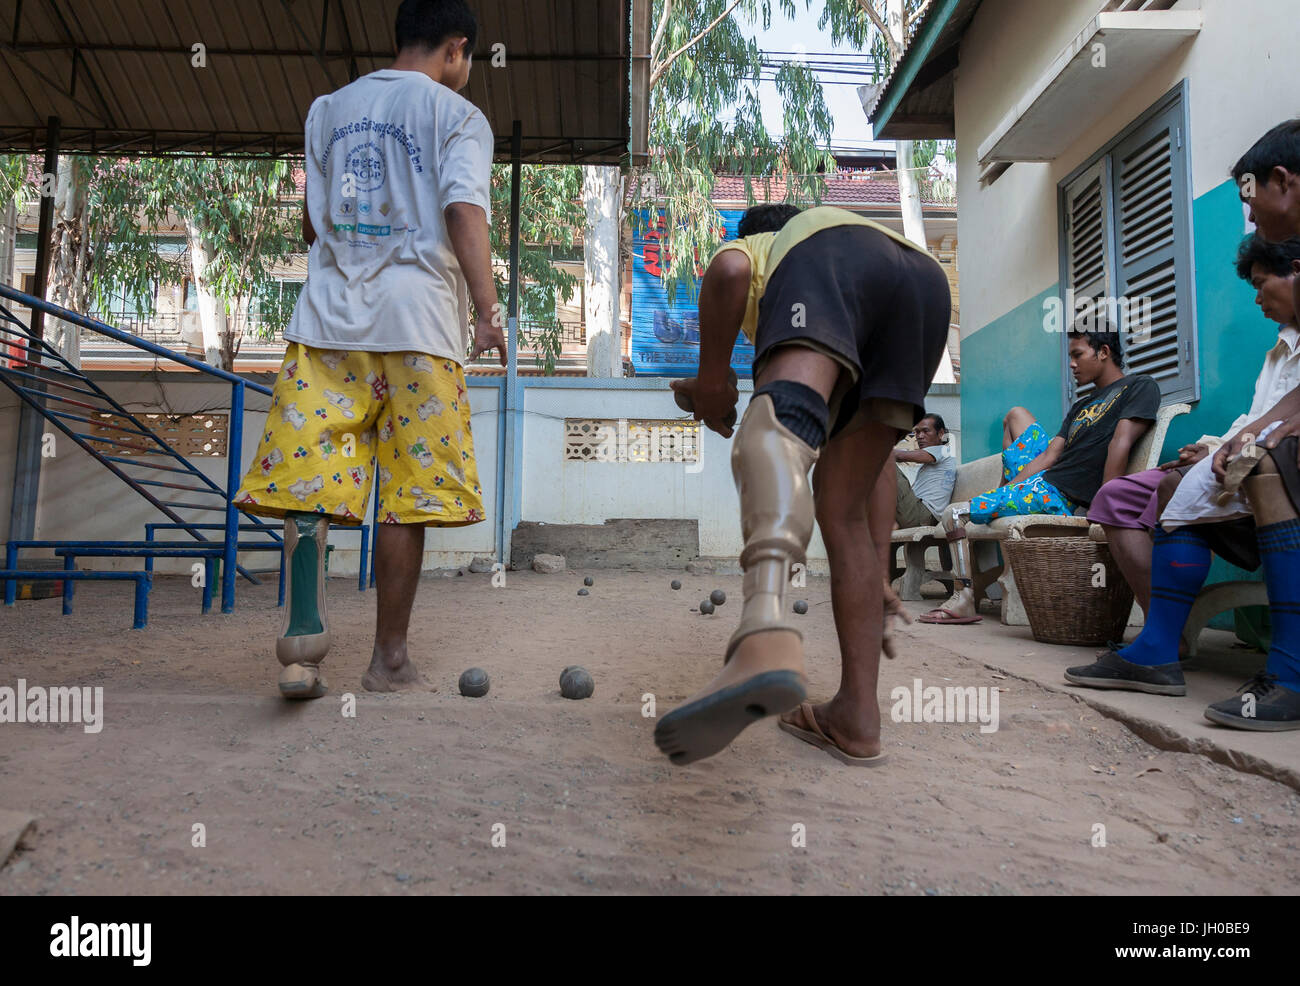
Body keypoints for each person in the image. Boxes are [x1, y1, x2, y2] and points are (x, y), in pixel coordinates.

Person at [234, 0, 504, 700]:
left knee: (307, 483)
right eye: (467, 59)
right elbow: (463, 211)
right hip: (417, 327)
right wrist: (487, 309)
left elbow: (308, 223)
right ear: (456, 48)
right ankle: (387, 661)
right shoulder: (457, 117)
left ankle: (301, 648)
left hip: (327, 324)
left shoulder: (328, 110)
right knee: (408, 499)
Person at [657, 203, 951, 766]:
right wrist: (878, 569)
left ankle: (762, 637)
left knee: (769, 434)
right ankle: (857, 718)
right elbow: (881, 472)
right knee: (840, 510)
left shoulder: (773, 248)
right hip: (925, 288)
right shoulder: (852, 261)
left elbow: (727, 273)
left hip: (842, 263)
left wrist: (712, 379)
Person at [1065, 120, 1300, 730]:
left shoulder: (1133, 389)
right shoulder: (1281, 348)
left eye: (1252, 202)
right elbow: (1273, 410)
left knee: (1260, 465)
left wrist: (1249, 441)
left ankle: (1290, 669)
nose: (1251, 222)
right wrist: (1233, 441)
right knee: (1197, 479)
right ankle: (1158, 649)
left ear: (1284, 182)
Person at [1088, 234, 1300, 617]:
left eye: (1260, 285)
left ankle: (1166, 634)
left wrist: (1229, 449)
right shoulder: (1279, 350)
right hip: (1240, 457)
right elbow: (1253, 420)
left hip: (1271, 470)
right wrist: (1213, 446)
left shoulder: (1136, 389)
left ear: (1295, 273)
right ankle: (1163, 625)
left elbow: (1272, 429)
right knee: (1115, 497)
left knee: (1173, 486)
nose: (1257, 299)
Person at [918, 324, 1159, 624]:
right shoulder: (1081, 405)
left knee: (955, 515)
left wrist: (1106, 504)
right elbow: (1049, 455)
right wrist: (1004, 493)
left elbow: (1119, 443)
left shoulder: (1138, 387)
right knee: (1014, 417)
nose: (1071, 364)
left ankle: (964, 597)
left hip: (1059, 495)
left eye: (1077, 355)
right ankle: (1000, 501)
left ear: (1104, 352)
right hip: (1044, 482)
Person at [893, 413, 957, 529]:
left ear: (941, 434)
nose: (920, 436)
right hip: (917, 513)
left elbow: (899, 456)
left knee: (886, 462)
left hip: (923, 515)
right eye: (917, 432)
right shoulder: (931, 462)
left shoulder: (944, 451)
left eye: (926, 431)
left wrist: (878, 450)